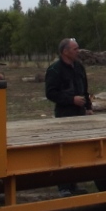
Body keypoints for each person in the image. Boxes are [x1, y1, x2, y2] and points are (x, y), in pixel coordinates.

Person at [44, 38, 93, 196]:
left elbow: (85, 89)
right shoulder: (55, 70)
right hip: (65, 114)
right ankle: (64, 186)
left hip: (80, 114)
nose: (78, 51)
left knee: (77, 149)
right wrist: (71, 100)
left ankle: (74, 183)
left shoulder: (79, 67)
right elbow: (50, 93)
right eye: (75, 49)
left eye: (78, 48)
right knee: (64, 150)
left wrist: (88, 107)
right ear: (65, 52)